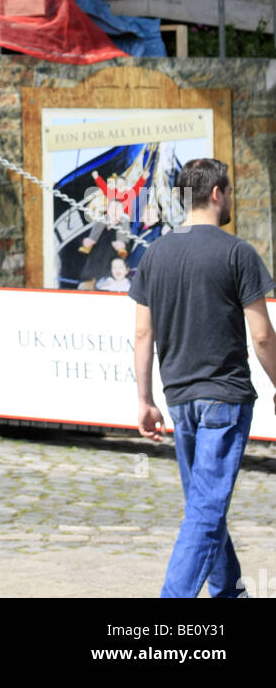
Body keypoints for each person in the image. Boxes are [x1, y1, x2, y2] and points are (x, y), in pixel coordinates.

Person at [130, 158, 276, 598]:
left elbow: (141, 334)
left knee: (204, 507)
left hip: (180, 399)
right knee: (206, 512)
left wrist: (144, 399)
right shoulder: (237, 253)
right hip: (225, 399)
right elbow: (263, 337)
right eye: (229, 190)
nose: (231, 198)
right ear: (216, 193)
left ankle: (231, 594)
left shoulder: (155, 254)